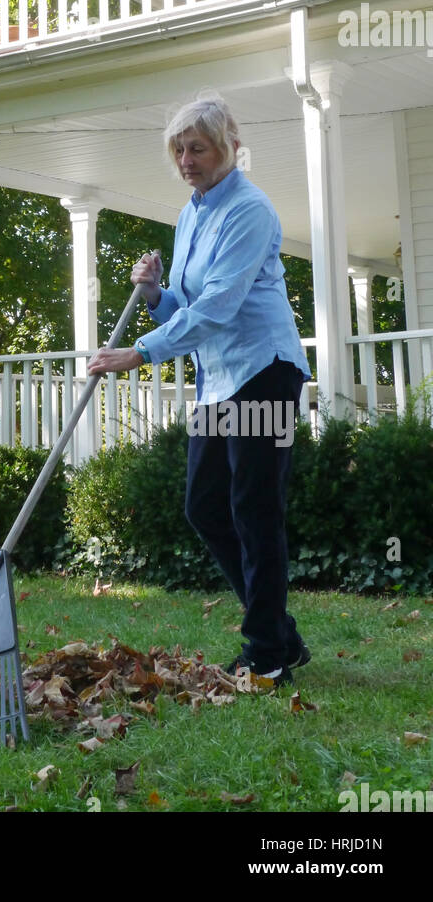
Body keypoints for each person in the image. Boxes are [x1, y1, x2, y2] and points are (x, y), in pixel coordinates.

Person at [88, 94, 312, 684]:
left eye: (198, 147)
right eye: (179, 149)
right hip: (218, 380)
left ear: (230, 146)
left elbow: (219, 305)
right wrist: (159, 294)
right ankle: (282, 635)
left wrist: (140, 353)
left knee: (254, 508)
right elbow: (191, 303)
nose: (186, 159)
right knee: (205, 505)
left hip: (263, 372)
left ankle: (266, 652)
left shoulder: (249, 209)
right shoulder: (191, 214)